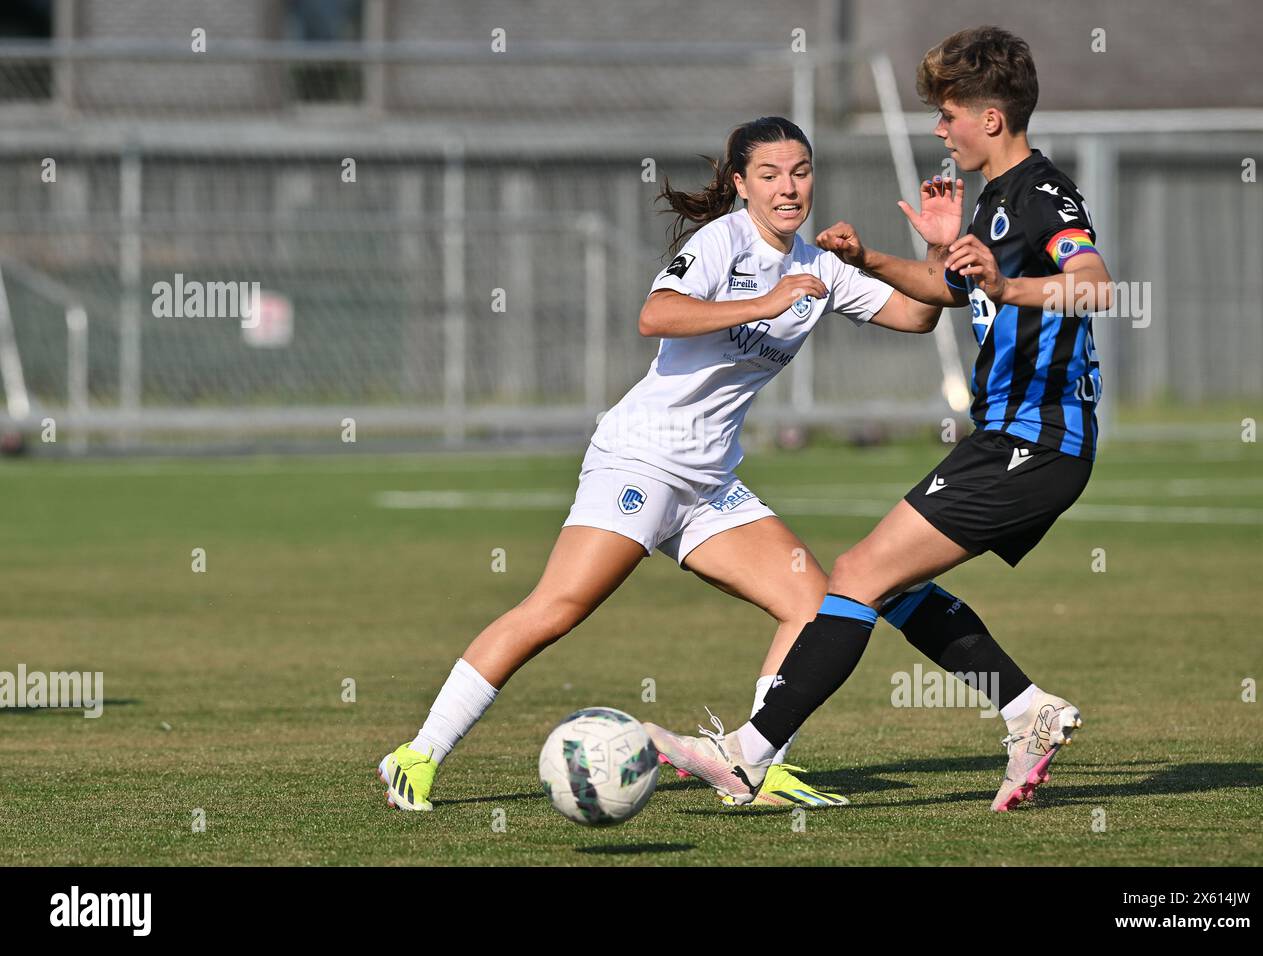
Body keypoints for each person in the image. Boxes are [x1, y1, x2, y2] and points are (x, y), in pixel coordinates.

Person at [377, 116, 950, 811]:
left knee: (812, 606)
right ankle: (417, 754)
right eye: (768, 174)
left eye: (800, 171)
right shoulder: (723, 242)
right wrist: (763, 301)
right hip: (641, 461)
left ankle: (754, 768)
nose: (788, 186)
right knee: (557, 608)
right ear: (741, 184)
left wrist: (936, 246)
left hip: (710, 482)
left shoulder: (823, 264)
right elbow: (656, 314)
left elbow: (919, 317)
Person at [647, 26, 1114, 813]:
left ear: (990, 118)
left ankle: (751, 753)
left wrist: (1004, 287)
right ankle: (1028, 712)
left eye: (948, 114)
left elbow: (1095, 286)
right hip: (1011, 439)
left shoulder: (1042, 191)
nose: (940, 128)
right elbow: (939, 291)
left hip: (1038, 436)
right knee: (893, 587)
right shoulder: (996, 197)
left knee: (858, 577)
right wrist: (880, 261)